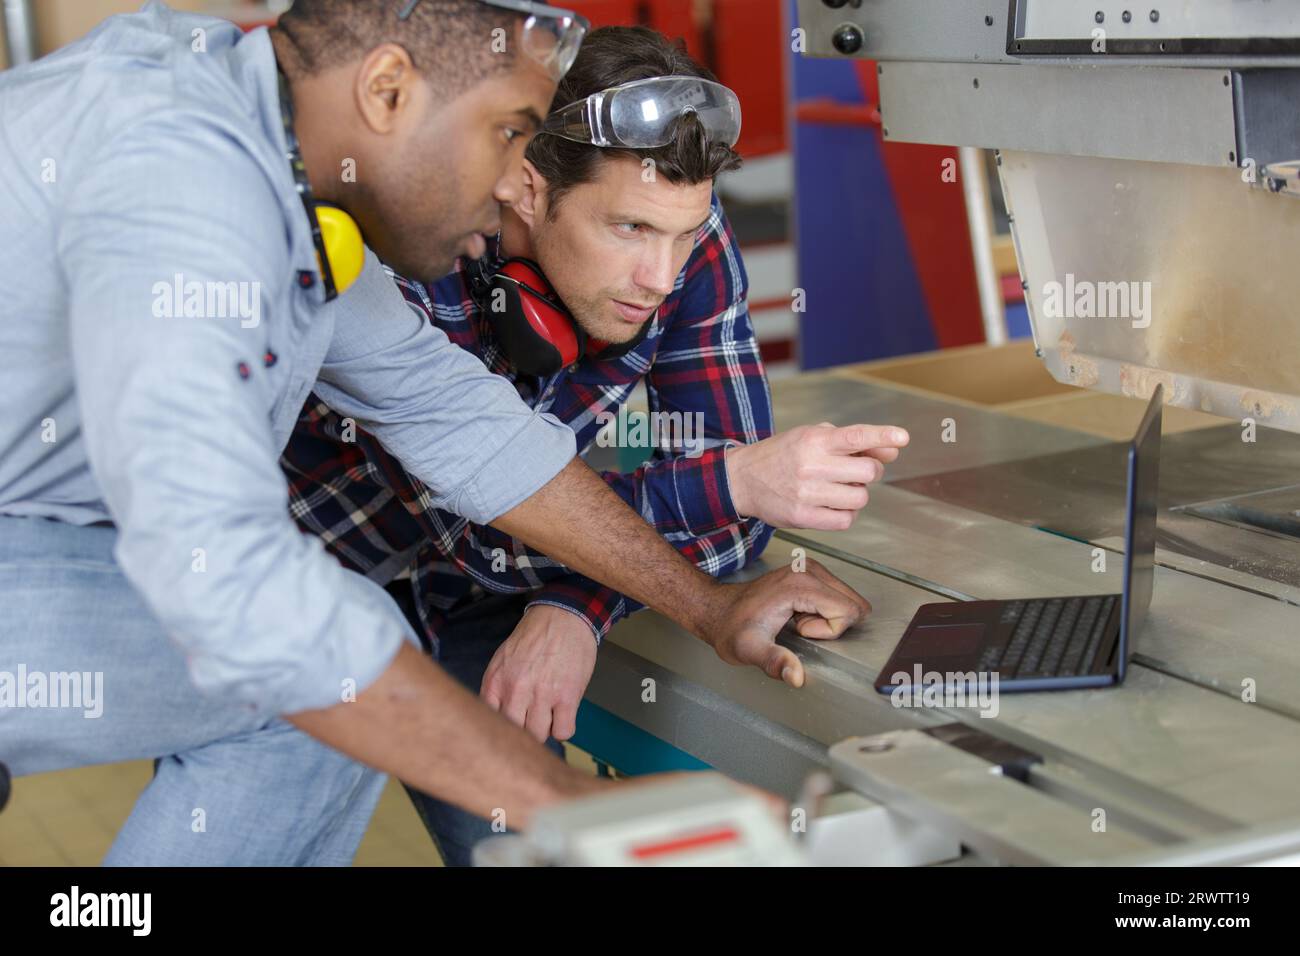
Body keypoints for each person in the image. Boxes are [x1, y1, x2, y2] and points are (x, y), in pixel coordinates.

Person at [0, 0, 870, 865]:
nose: (509, 185)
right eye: (505, 133)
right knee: (304, 677)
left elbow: (461, 423)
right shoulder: (181, 185)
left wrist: (708, 606)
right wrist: (566, 803)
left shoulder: (278, 167)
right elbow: (221, 573)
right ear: (386, 92)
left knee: (326, 688)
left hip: (46, 547)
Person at [283, 25, 908, 866]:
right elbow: (490, 534)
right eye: (629, 229)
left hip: (488, 593)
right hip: (316, 574)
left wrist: (579, 605)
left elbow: (732, 520)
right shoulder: (415, 243)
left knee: (534, 850)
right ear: (527, 189)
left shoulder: (682, 233)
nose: (662, 276)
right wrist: (730, 481)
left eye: (682, 236)